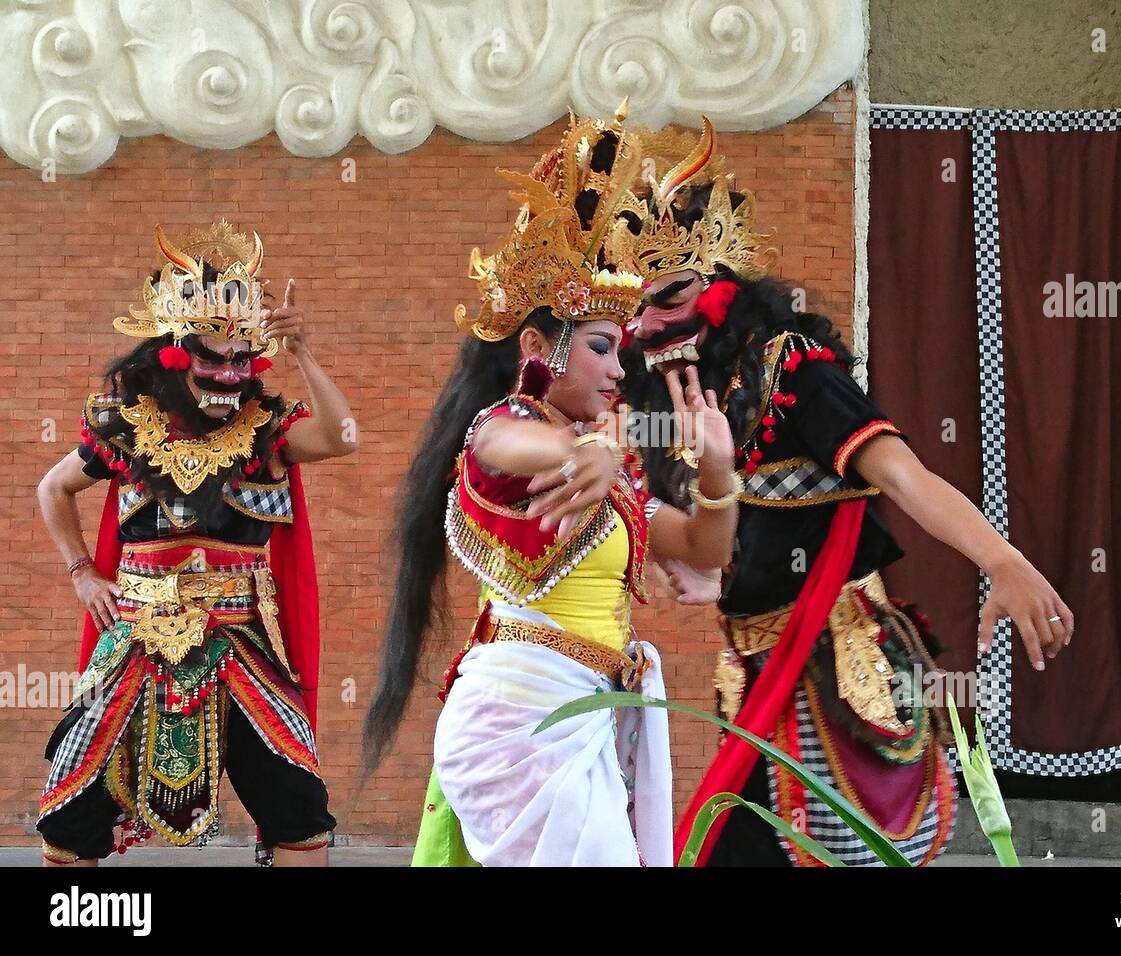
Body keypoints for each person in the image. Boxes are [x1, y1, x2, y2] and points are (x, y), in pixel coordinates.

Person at [615, 119, 1075, 866]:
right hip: (751, 670)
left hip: (831, 661)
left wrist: (1005, 560)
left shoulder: (795, 368)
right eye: (634, 309)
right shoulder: (673, 398)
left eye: (667, 296)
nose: (647, 324)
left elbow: (904, 476)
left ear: (722, 282)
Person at [361, 106, 740, 866]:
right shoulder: (500, 432)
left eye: (621, 350)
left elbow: (705, 547)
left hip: (585, 721)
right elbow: (514, 443)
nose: (617, 368)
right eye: (601, 347)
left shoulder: (613, 466)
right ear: (537, 346)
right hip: (516, 718)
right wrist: (588, 450)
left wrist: (718, 468)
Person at [34, 221, 357, 866]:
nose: (229, 374)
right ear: (174, 352)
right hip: (136, 638)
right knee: (71, 808)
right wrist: (81, 572)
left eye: (243, 360)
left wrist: (305, 355)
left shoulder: (267, 430)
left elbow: (343, 435)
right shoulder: (126, 427)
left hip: (240, 639)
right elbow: (53, 489)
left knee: (296, 800)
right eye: (212, 357)